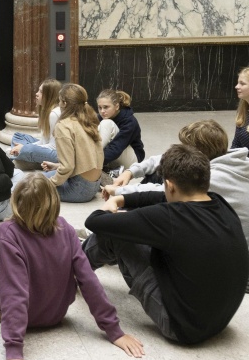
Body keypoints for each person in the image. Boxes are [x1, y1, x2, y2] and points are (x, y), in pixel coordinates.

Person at [0, 173, 143, 360]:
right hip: (55, 313)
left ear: (16, 202)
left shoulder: (8, 231)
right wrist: (114, 330)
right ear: (54, 202)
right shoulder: (65, 228)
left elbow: (14, 295)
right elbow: (88, 280)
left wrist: (14, 350)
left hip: (23, 316)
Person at [83, 144, 248, 344]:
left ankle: (72, 268)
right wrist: (122, 199)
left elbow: (95, 222)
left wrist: (109, 207)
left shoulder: (170, 219)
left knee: (115, 234)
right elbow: (161, 198)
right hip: (218, 322)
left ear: (170, 185)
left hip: (180, 327)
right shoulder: (219, 202)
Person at [103, 119, 249, 292]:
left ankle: (108, 237)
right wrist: (131, 171)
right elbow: (165, 159)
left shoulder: (214, 179)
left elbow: (157, 193)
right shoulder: (230, 159)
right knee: (159, 178)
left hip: (224, 262)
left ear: (197, 154)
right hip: (216, 237)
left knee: (141, 225)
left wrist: (119, 192)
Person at [40, 83, 104, 203]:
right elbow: (85, 159)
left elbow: (68, 167)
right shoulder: (89, 119)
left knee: (33, 183)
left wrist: (50, 184)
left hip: (79, 189)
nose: (58, 104)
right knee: (43, 177)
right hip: (94, 184)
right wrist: (56, 166)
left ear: (64, 103)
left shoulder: (63, 126)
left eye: (59, 101)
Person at [9, 78, 61, 167]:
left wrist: (24, 148)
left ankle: (23, 158)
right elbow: (43, 141)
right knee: (17, 136)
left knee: (25, 149)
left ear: (49, 96)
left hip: (57, 154)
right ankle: (28, 157)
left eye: (40, 92)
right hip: (47, 148)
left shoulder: (54, 114)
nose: (36, 94)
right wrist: (24, 147)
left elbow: (54, 147)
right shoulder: (47, 112)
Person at [97, 89, 145, 170]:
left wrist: (93, 163)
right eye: (99, 107)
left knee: (106, 123)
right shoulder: (100, 117)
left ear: (117, 106)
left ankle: (93, 162)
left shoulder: (129, 121)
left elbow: (116, 147)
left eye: (106, 107)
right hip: (112, 156)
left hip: (132, 160)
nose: (102, 111)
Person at [233, 67, 249, 149]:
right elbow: (236, 144)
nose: (236, 86)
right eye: (238, 83)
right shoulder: (243, 110)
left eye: (242, 84)